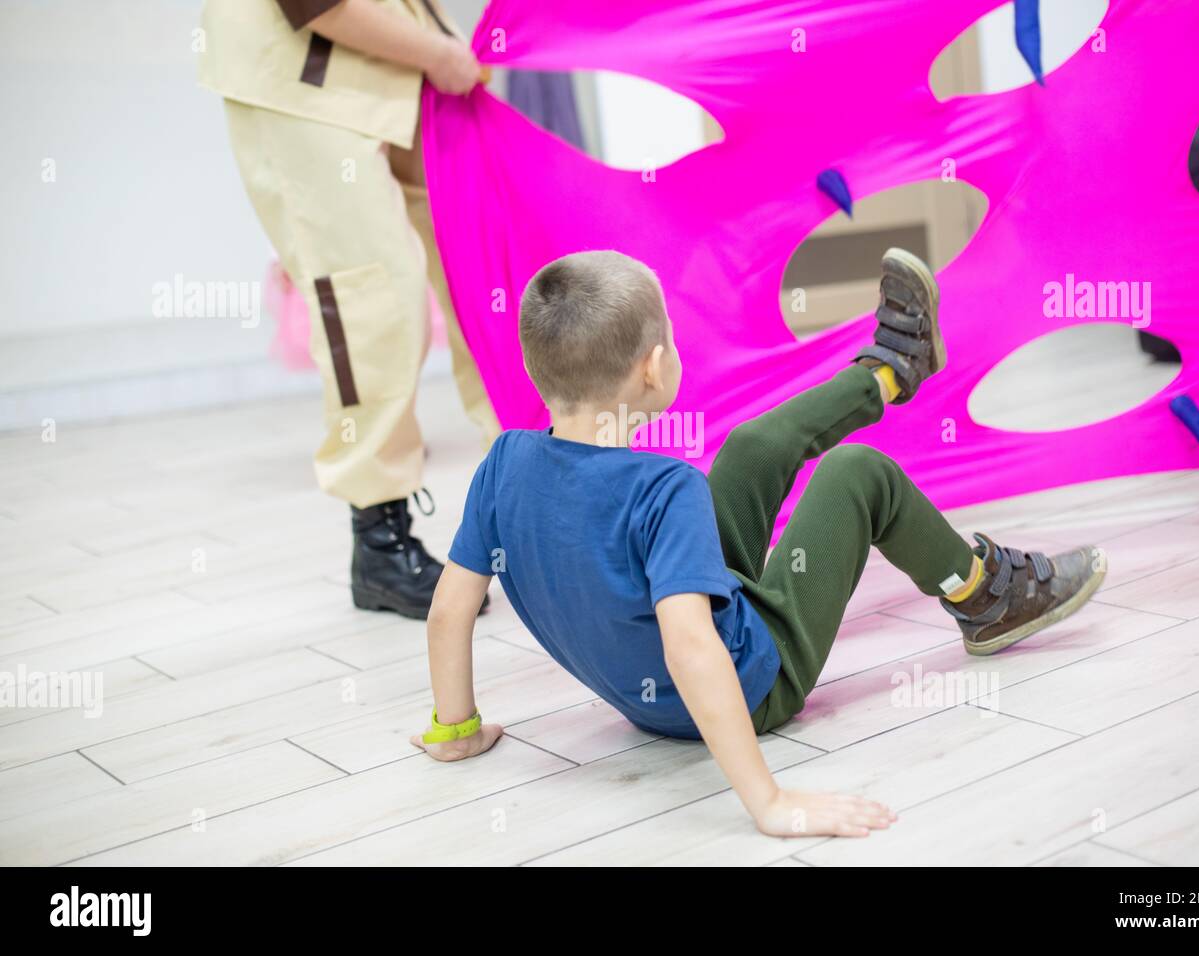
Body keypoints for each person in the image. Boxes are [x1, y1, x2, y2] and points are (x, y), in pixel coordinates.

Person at [410, 249, 1107, 837]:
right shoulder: (665, 489)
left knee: (748, 450)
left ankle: (889, 373)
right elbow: (689, 647)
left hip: (650, 689)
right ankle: (984, 594)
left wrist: (457, 727)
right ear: (654, 368)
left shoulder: (503, 464)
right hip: (754, 684)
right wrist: (769, 804)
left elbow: (449, 612)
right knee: (857, 474)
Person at [197, 0, 497, 618]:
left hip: (407, 69)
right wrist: (439, 53)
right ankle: (380, 538)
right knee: (371, 299)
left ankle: (537, 488)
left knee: (481, 269)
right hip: (307, 81)